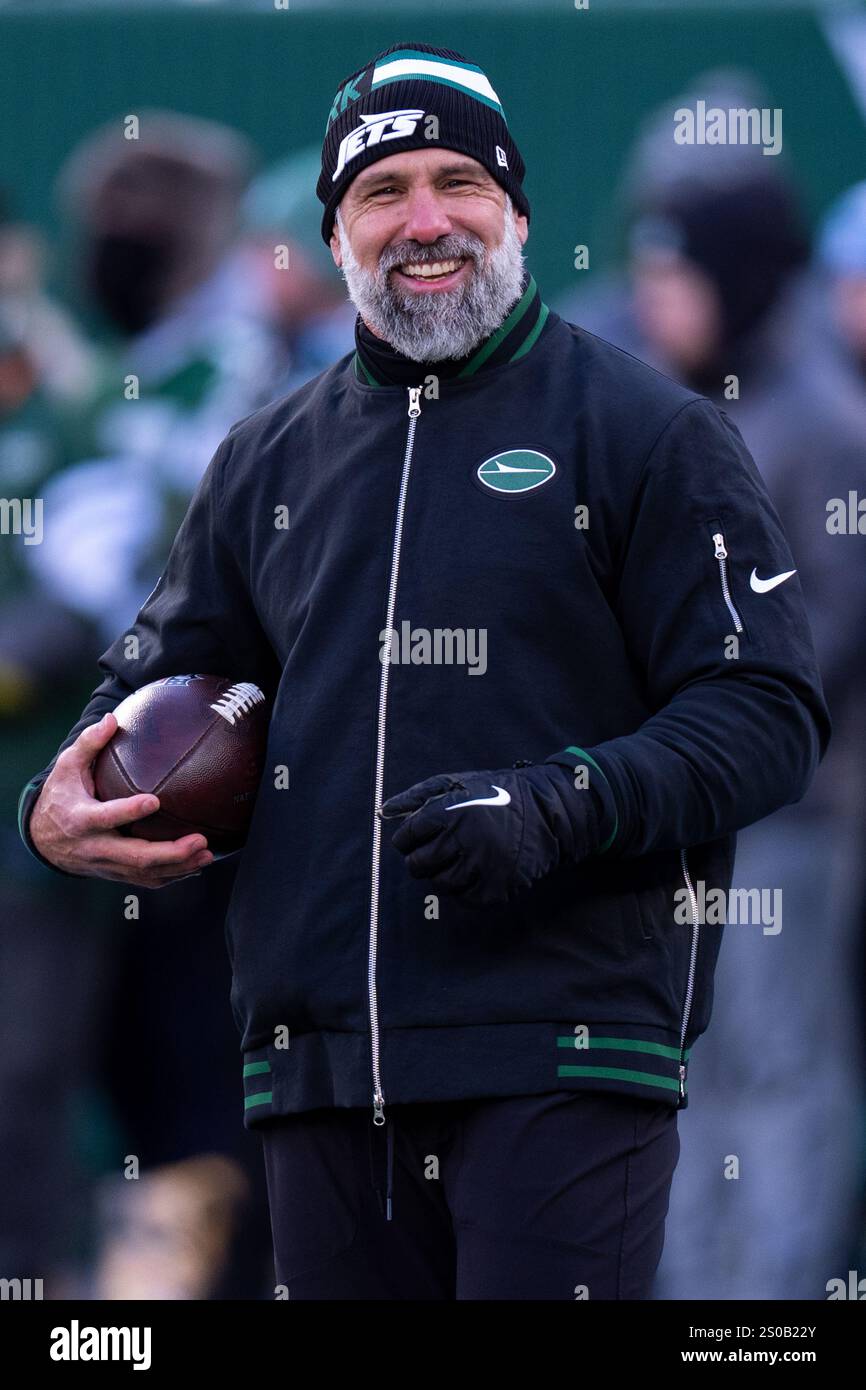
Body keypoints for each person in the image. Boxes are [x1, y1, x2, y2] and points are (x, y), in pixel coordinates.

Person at [18, 42, 831, 1301]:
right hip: (318, 1061)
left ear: (515, 211)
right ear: (334, 233)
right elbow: (157, 676)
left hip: (564, 1048)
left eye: (458, 180)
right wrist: (64, 800)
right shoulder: (263, 457)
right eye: (381, 191)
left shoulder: (650, 428)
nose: (425, 219)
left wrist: (564, 801)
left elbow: (766, 709)